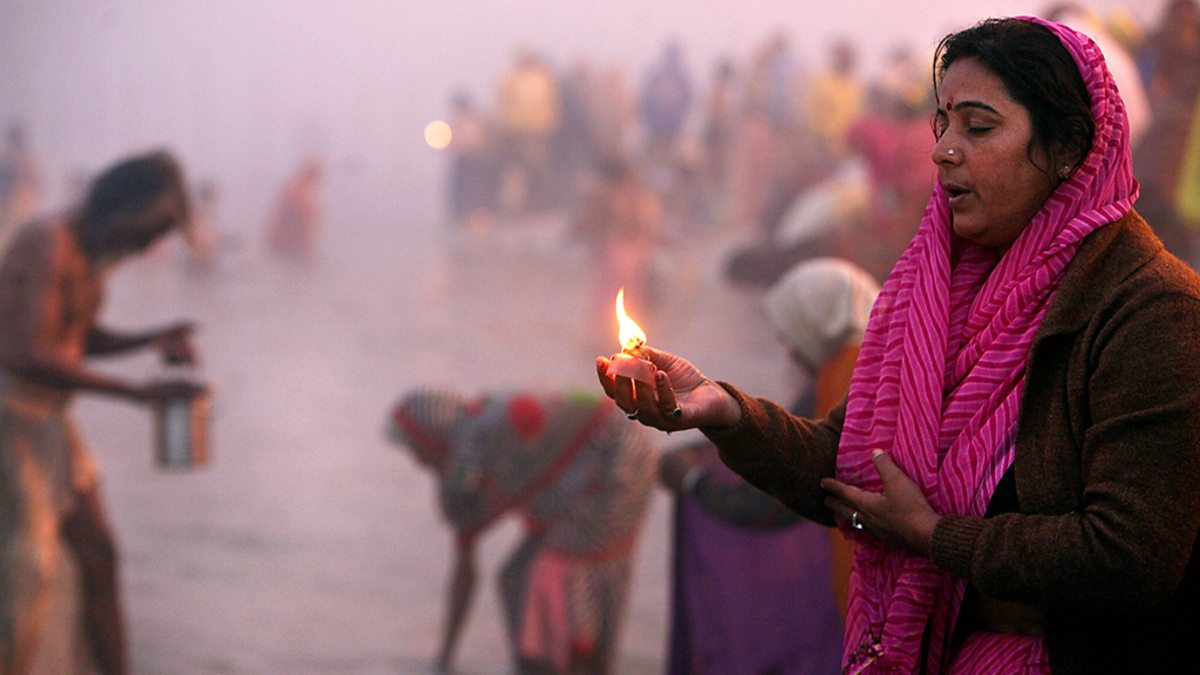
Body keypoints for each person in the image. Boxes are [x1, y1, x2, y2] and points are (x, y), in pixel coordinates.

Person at [596, 16, 1200, 673]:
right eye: (943, 124)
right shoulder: (943, 294)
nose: (943, 150)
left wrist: (936, 535)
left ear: (1066, 147)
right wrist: (724, 411)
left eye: (979, 126)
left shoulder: (1151, 310)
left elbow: (1131, 554)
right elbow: (854, 463)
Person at [0, 150, 207, 674]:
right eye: (145, 234)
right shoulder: (52, 240)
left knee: (100, 556)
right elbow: (31, 354)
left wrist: (149, 338)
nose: (145, 247)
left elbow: (73, 339)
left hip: (48, 419)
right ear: (120, 210)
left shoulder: (89, 251)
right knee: (27, 572)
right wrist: (136, 395)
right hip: (9, 418)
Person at [659, 258, 878, 675]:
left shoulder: (846, 380)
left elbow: (779, 492)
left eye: (792, 336)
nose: (792, 353)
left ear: (816, 322)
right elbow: (787, 436)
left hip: (870, 594)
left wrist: (695, 482)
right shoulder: (889, 359)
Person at [388, 388, 657, 675]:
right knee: (518, 575)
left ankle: (570, 662)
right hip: (584, 474)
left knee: (557, 572)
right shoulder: (466, 451)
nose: (416, 459)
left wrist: (444, 660)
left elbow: (467, 512)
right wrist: (444, 660)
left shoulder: (474, 444)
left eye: (416, 446)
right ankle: (548, 663)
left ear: (432, 438)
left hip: (617, 457)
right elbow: (464, 557)